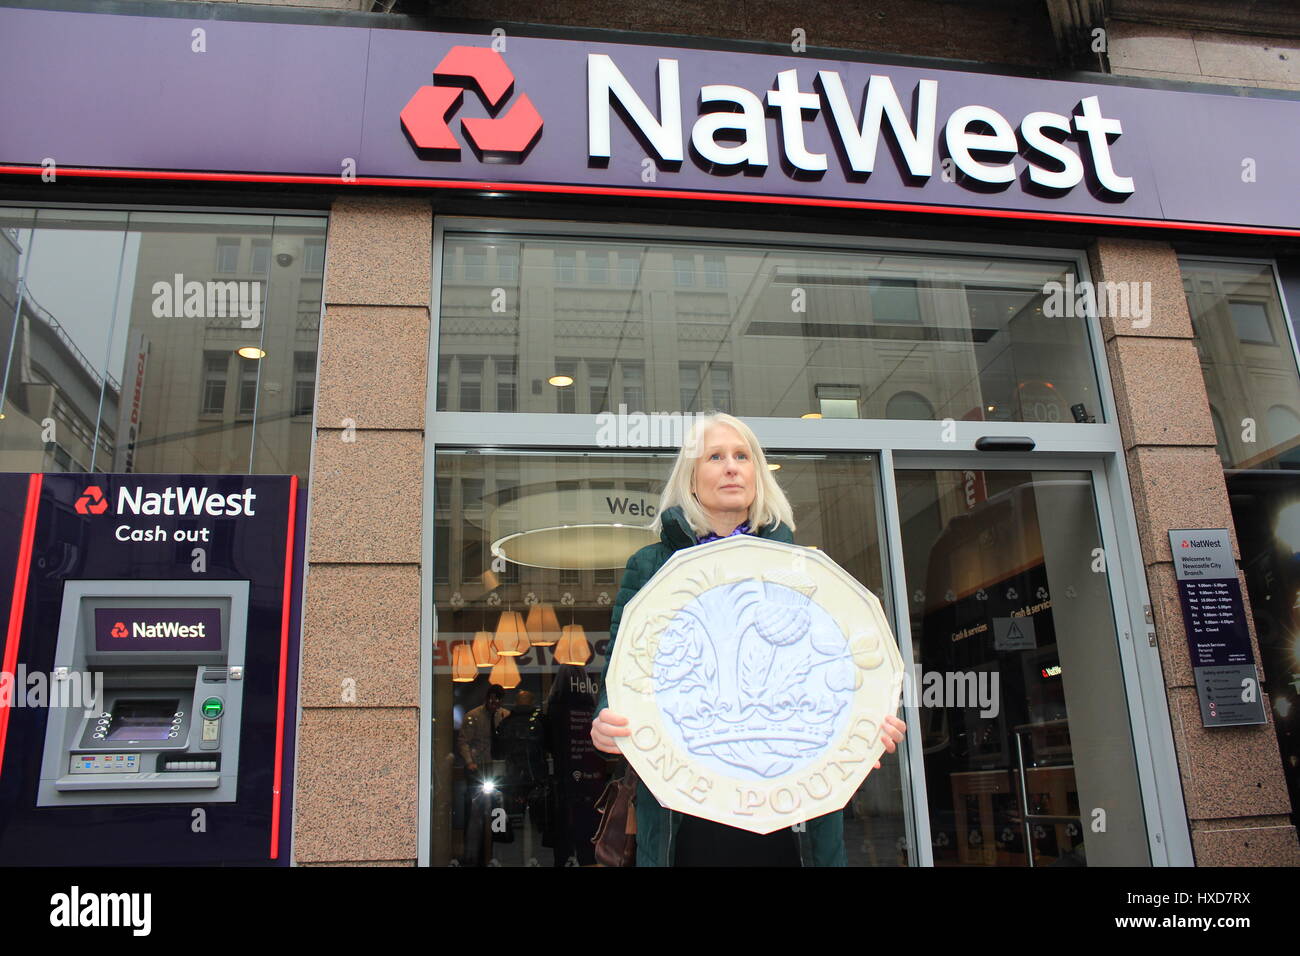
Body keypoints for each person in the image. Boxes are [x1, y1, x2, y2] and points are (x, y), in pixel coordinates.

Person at [590, 411, 907, 867]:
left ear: (758, 475)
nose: (732, 466)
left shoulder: (804, 569)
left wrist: (863, 727)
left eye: (743, 456)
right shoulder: (649, 567)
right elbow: (621, 679)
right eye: (715, 456)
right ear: (692, 479)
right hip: (684, 811)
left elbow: (833, 674)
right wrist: (606, 724)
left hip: (781, 807)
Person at [459, 684, 510, 865]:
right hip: (478, 769)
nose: (493, 703)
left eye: (497, 700)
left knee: (499, 812)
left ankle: (497, 853)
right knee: (475, 813)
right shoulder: (473, 716)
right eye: (491, 700)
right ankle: (473, 855)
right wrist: (469, 762)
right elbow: (464, 741)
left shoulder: (505, 716)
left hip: (497, 769)